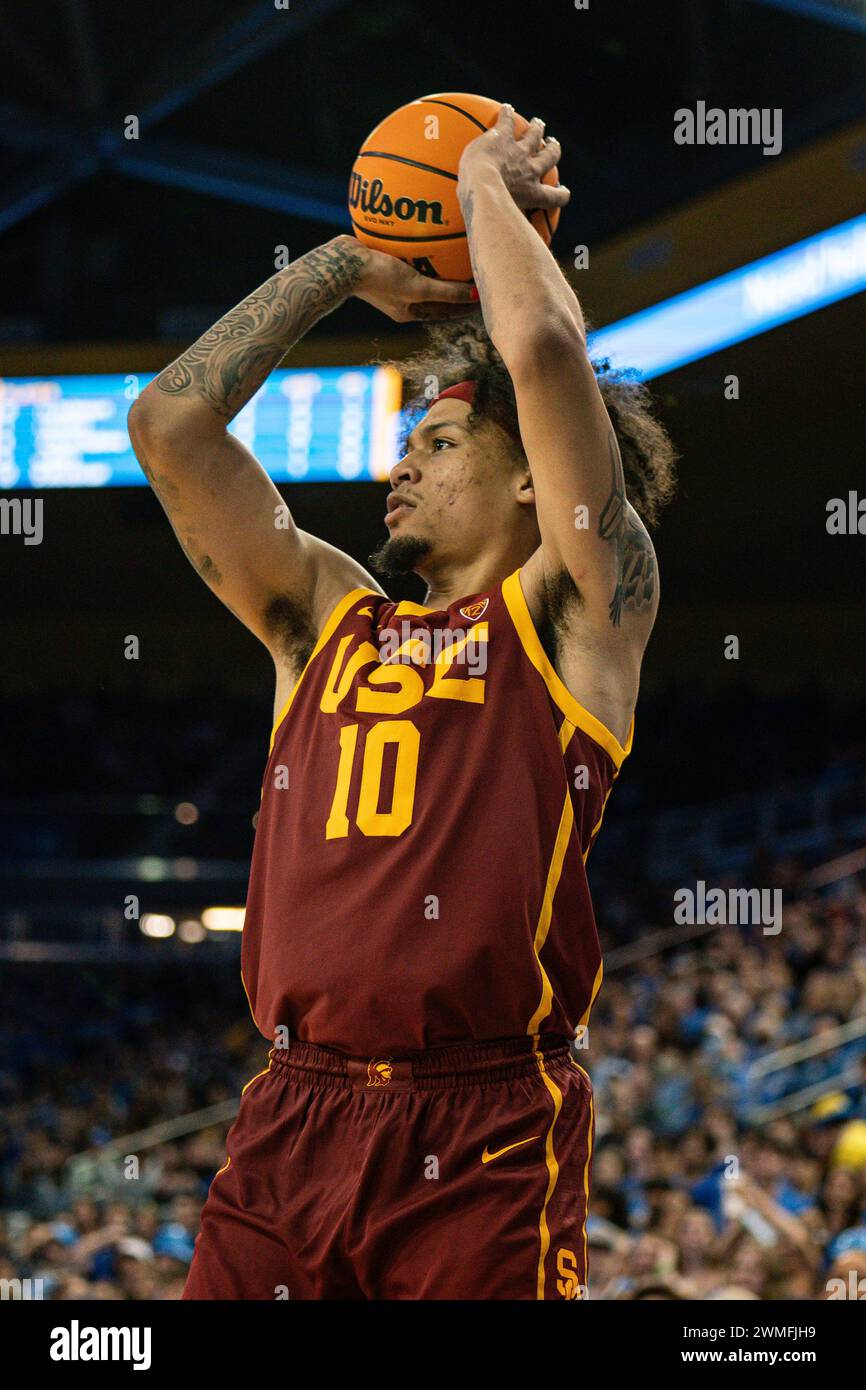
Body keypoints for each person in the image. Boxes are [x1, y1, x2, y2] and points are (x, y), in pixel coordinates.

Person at [128, 106, 676, 1300]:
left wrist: (480, 181)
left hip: (480, 1128)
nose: (399, 464)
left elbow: (539, 355)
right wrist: (342, 267)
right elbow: (168, 427)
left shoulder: (576, 614)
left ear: (532, 473)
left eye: (432, 440)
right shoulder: (326, 615)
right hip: (288, 1116)